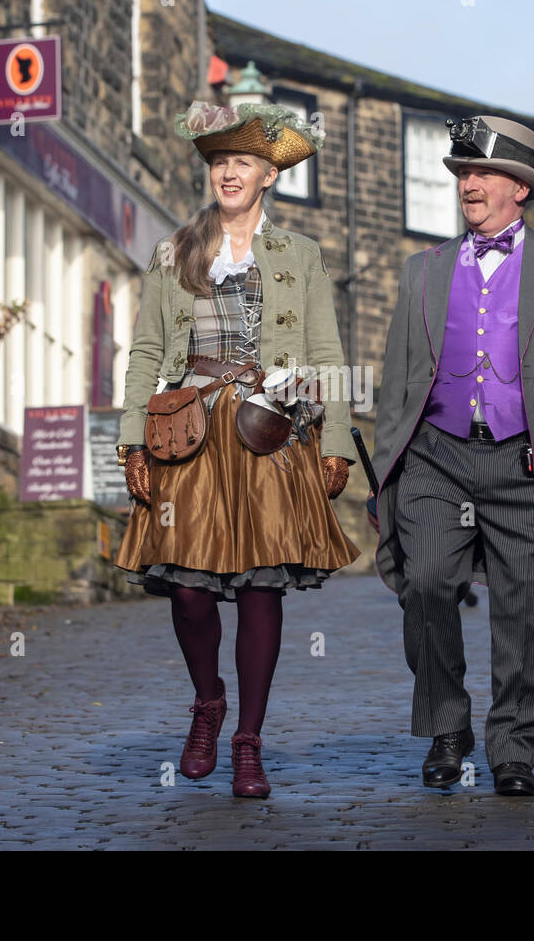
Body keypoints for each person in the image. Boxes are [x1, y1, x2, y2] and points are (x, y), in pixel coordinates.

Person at [368, 115, 534, 796]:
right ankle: (447, 725)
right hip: (436, 455)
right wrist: (383, 473)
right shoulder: (421, 271)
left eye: (479, 173)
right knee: (424, 581)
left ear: (520, 186)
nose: (467, 185)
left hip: (526, 461)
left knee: (524, 607)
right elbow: (396, 380)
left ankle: (514, 749)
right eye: (461, 174)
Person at [113, 101, 359, 798]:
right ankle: (207, 703)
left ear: (266, 176)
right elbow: (146, 354)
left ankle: (248, 740)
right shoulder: (174, 252)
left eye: (242, 162)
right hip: (187, 434)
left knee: (260, 589)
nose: (228, 172)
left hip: (271, 431)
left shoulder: (300, 256)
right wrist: (131, 439)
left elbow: (325, 354)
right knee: (187, 591)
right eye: (219, 161)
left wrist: (334, 441)